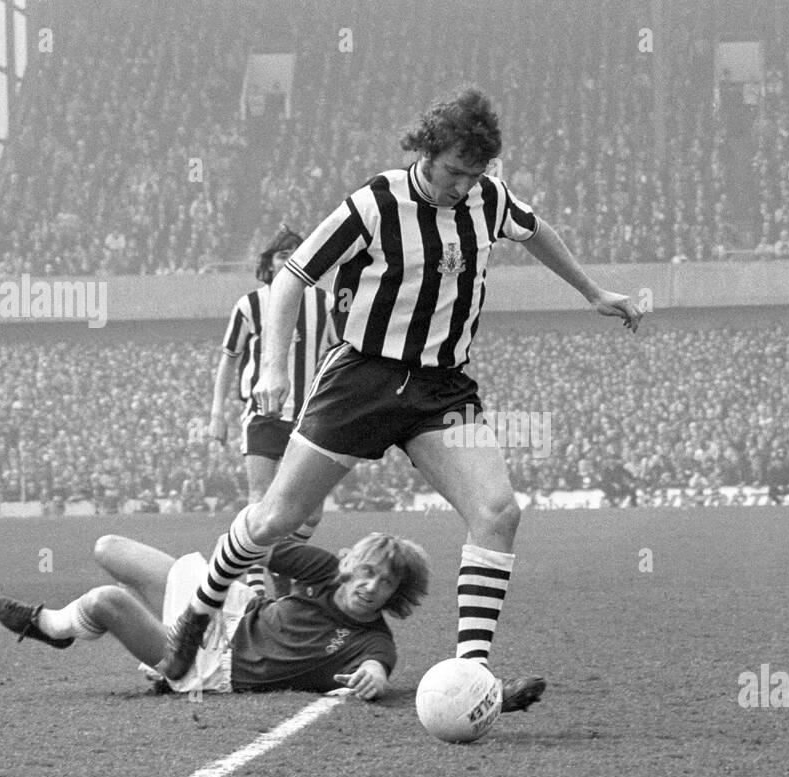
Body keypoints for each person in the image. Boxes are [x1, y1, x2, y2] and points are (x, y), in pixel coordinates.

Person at [159, 88, 643, 711]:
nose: (462, 186)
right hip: (362, 378)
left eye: (474, 174)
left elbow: (533, 230)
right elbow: (291, 278)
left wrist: (592, 292)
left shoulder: (488, 198)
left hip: (441, 387)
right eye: (454, 172)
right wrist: (273, 367)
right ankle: (199, 613)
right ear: (426, 152)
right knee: (276, 518)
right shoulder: (374, 203)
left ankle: (473, 674)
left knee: (498, 512)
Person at [0, 532, 429, 702]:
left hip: (215, 662)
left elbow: (377, 668)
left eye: (386, 582)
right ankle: (140, 629)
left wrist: (374, 679)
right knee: (108, 548)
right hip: (232, 606)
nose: (371, 586)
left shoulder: (374, 641)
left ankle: (52, 625)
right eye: (367, 571)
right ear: (351, 564)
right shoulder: (325, 571)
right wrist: (246, 565)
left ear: (397, 593)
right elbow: (247, 546)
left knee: (107, 601)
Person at [207, 226, 340, 597]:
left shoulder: (325, 304)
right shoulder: (249, 305)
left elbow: (340, 351)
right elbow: (229, 358)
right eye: (283, 254)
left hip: (310, 417)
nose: (291, 259)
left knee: (310, 512)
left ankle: (278, 561)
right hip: (263, 414)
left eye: (297, 252)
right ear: (269, 263)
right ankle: (256, 592)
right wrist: (217, 413)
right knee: (261, 503)